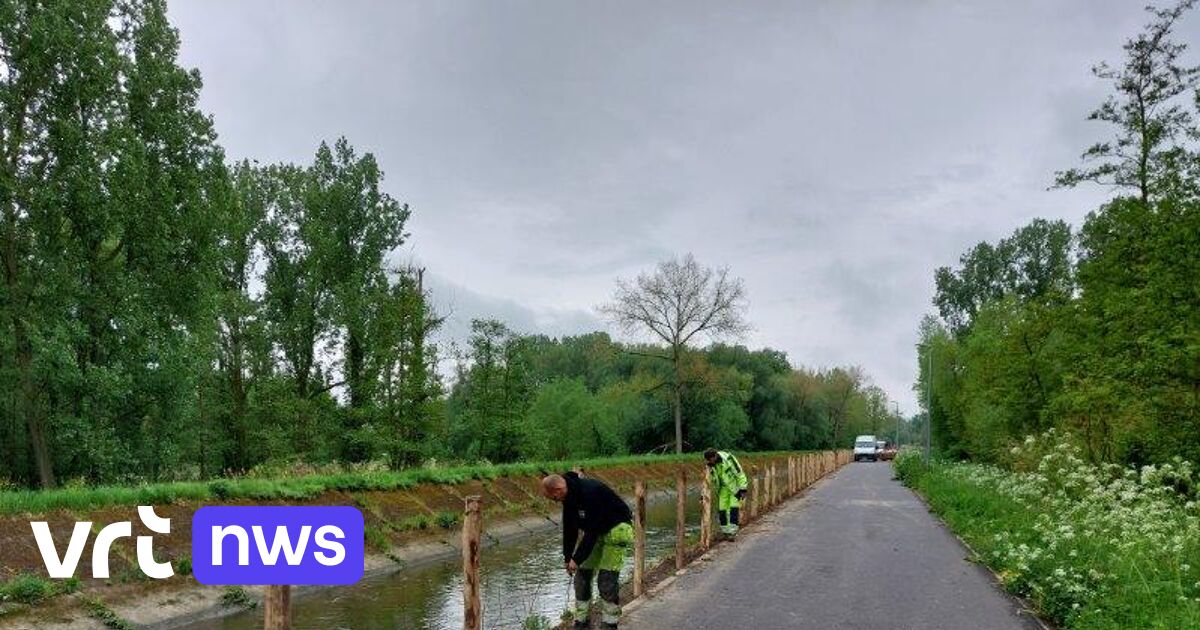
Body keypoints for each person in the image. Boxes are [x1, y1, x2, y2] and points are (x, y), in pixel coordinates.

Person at [541, 471, 633, 630]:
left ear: (558, 489)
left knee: (606, 580)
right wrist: (568, 557)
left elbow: (591, 532)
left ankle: (610, 624)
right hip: (598, 531)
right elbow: (570, 530)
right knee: (582, 576)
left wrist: (577, 558)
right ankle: (581, 622)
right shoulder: (568, 498)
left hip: (618, 528)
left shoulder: (590, 492)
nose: (556, 501)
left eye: (554, 498)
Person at [704, 448, 748, 537]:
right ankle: (726, 532)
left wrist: (743, 489)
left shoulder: (728, 459)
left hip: (735, 488)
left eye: (710, 460)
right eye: (708, 460)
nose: (709, 462)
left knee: (733, 509)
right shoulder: (711, 466)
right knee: (722, 510)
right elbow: (708, 482)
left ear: (715, 456)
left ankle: (733, 532)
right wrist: (703, 494)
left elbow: (740, 473)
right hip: (722, 489)